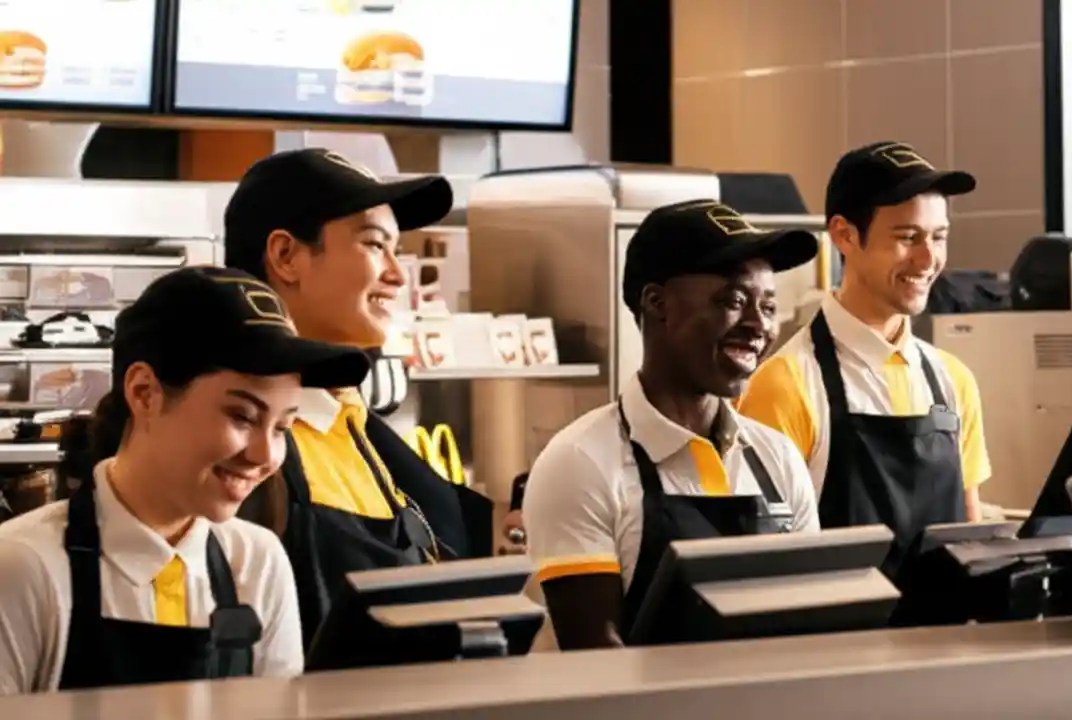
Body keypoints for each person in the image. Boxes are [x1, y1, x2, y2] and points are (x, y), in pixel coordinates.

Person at [0, 266, 371, 694]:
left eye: (282, 428)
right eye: (242, 416)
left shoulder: (256, 562)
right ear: (144, 392)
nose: (265, 456)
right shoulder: (24, 568)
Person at [523, 199, 821, 650]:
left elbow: (808, 630)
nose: (759, 324)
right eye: (734, 301)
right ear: (657, 303)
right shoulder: (580, 464)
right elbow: (596, 659)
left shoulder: (777, 460)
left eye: (768, 304)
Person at [223, 148, 488, 649]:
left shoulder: (349, 419)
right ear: (285, 256)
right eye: (374, 246)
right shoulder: (233, 450)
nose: (397, 275)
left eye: (397, 250)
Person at [736, 140, 993, 578]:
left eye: (939, 237)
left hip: (948, 642)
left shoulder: (954, 381)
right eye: (907, 237)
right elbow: (766, 568)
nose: (928, 259)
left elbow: (971, 541)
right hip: (839, 641)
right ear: (844, 235)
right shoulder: (785, 385)